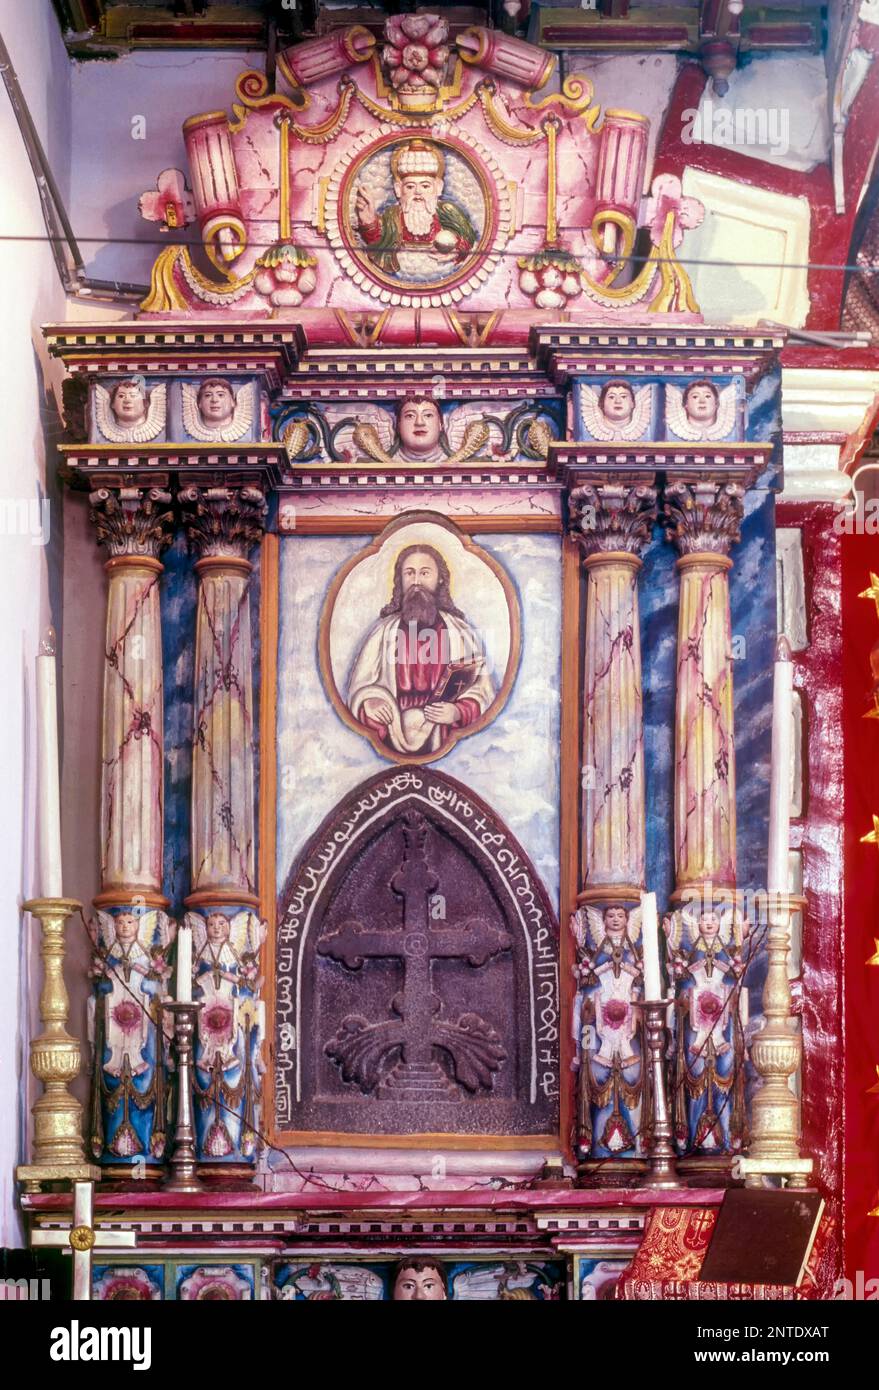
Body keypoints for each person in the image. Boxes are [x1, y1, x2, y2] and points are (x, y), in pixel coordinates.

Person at [346, 543, 494, 756]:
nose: (416, 581)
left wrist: (458, 711)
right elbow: (360, 688)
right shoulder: (382, 633)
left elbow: (483, 690)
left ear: (440, 579)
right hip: (393, 728)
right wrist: (370, 702)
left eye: (424, 573)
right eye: (409, 573)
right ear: (400, 580)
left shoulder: (460, 632)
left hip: (443, 733)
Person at [354, 139, 478, 277]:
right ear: (398, 189)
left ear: (438, 187)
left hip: (441, 271)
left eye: (425, 186)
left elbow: (468, 237)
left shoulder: (446, 211)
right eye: (410, 186)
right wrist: (369, 221)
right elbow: (378, 242)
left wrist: (458, 248)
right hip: (402, 271)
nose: (418, 192)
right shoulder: (393, 214)